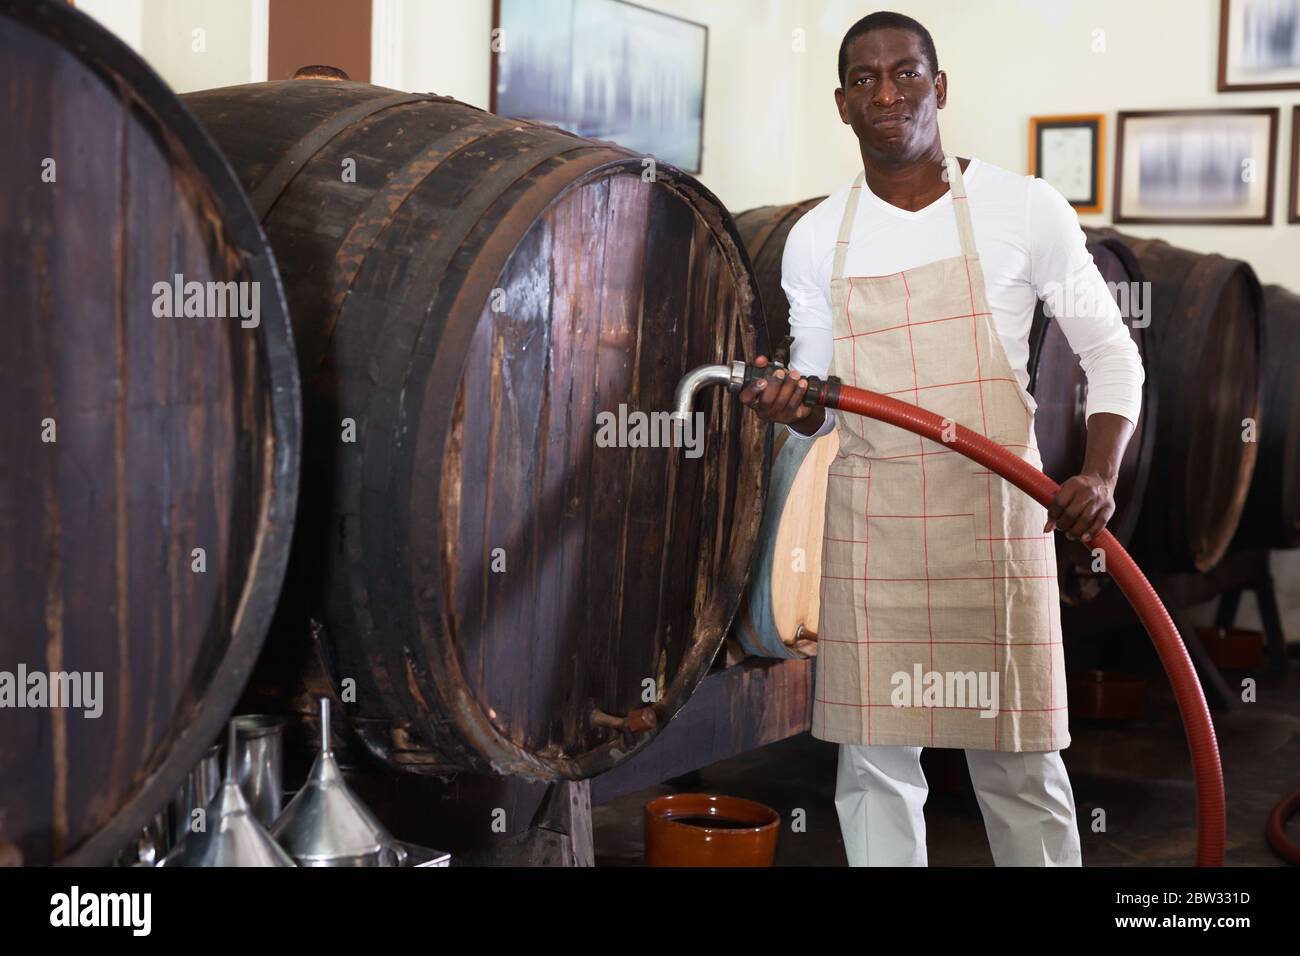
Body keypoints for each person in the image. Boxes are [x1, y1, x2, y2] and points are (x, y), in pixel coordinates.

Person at [738, 11, 1143, 866]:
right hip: (874, 525)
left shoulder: (1022, 207)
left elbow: (1114, 357)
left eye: (907, 72)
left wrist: (1100, 475)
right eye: (865, 80)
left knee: (1022, 767)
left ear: (940, 86)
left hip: (997, 519)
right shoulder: (817, 240)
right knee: (874, 772)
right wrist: (790, 405)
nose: (888, 93)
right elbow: (827, 403)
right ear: (842, 104)